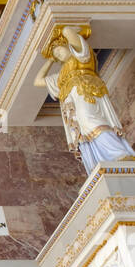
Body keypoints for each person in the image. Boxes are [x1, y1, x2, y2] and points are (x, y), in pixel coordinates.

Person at [34, 23, 135, 175]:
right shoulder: (60, 77)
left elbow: (67, 31)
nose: (58, 55)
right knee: (81, 134)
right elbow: (37, 81)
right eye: (56, 56)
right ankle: (97, 163)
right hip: (71, 107)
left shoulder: (81, 56)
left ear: (67, 46)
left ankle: (118, 153)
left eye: (59, 51)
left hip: (85, 92)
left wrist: (71, 33)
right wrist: (50, 59)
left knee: (90, 120)